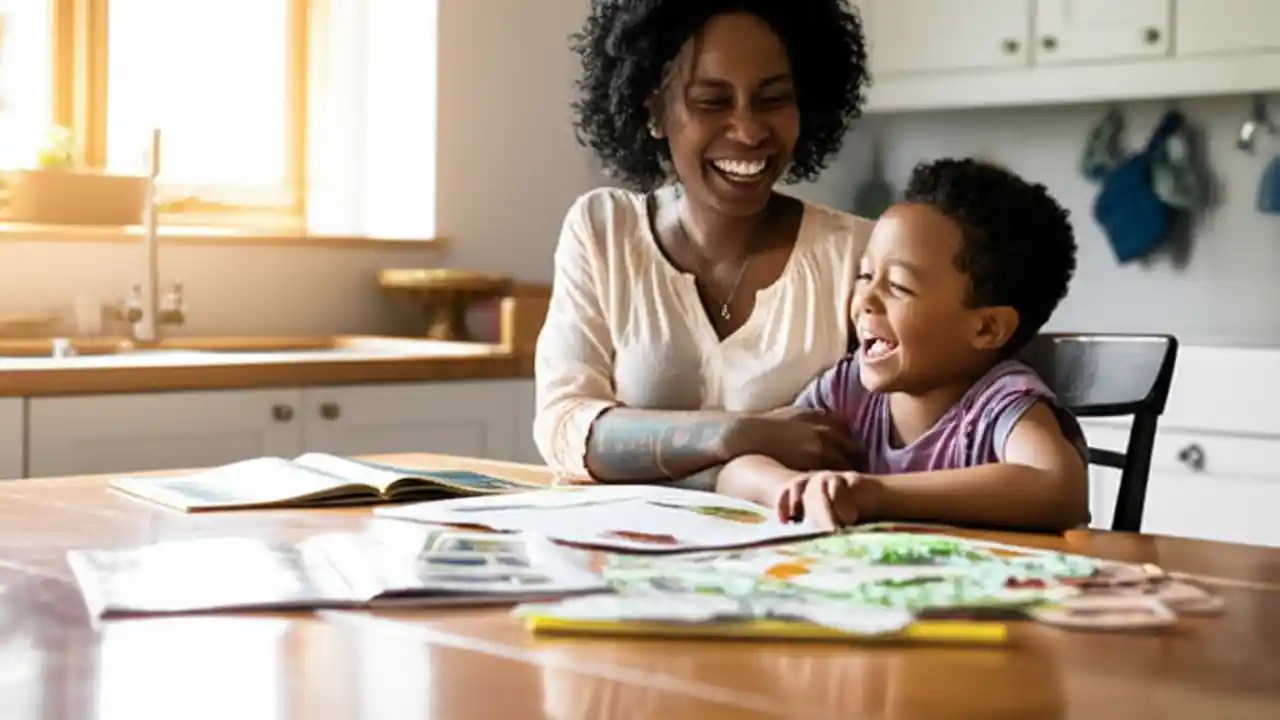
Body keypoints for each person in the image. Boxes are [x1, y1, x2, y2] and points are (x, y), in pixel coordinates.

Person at [534, 0, 875, 484]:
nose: (750, 130)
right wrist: (738, 434)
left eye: (773, 99)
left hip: (792, 554)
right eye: (713, 101)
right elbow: (564, 428)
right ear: (653, 110)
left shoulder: (858, 254)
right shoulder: (603, 230)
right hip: (624, 548)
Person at [716, 158, 1090, 532]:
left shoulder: (999, 403)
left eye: (897, 286)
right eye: (865, 275)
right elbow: (735, 473)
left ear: (987, 327)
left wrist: (877, 494)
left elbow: (1060, 489)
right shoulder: (848, 393)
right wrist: (789, 486)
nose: (865, 299)